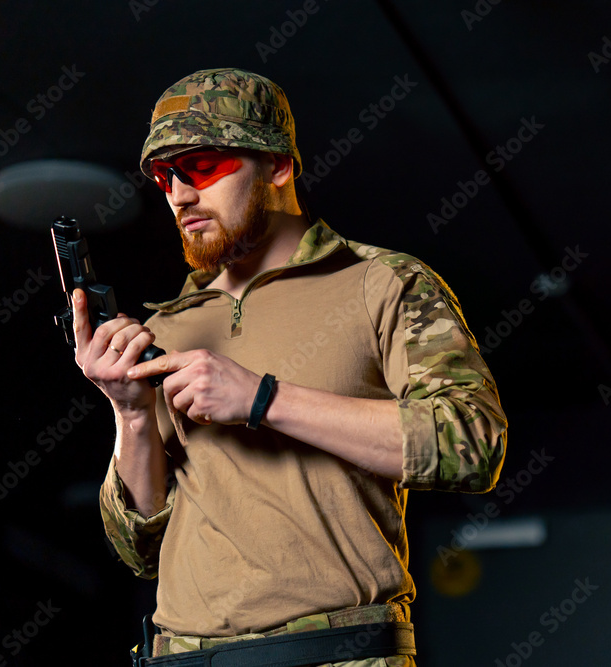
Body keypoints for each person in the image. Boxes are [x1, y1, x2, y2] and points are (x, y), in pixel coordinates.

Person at [73, 68, 507, 666]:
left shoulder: (382, 283)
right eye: (164, 175)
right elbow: (137, 551)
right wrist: (132, 416)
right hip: (184, 656)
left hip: (337, 653)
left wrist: (263, 399)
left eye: (201, 166)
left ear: (278, 166)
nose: (179, 194)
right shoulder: (168, 329)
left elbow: (471, 445)